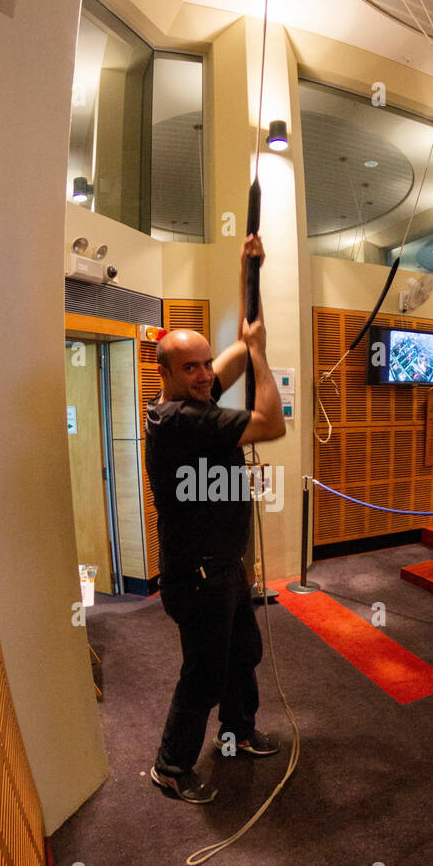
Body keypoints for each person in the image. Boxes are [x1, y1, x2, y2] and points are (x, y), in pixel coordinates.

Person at [144, 233, 286, 802]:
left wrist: (248, 274)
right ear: (167, 374)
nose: (206, 375)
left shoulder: (198, 397)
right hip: (197, 577)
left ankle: (238, 733)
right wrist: (263, 355)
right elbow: (272, 423)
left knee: (242, 656)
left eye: (206, 365)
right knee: (203, 673)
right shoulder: (180, 420)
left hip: (225, 567)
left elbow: (237, 348)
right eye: (192, 368)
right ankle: (170, 767)